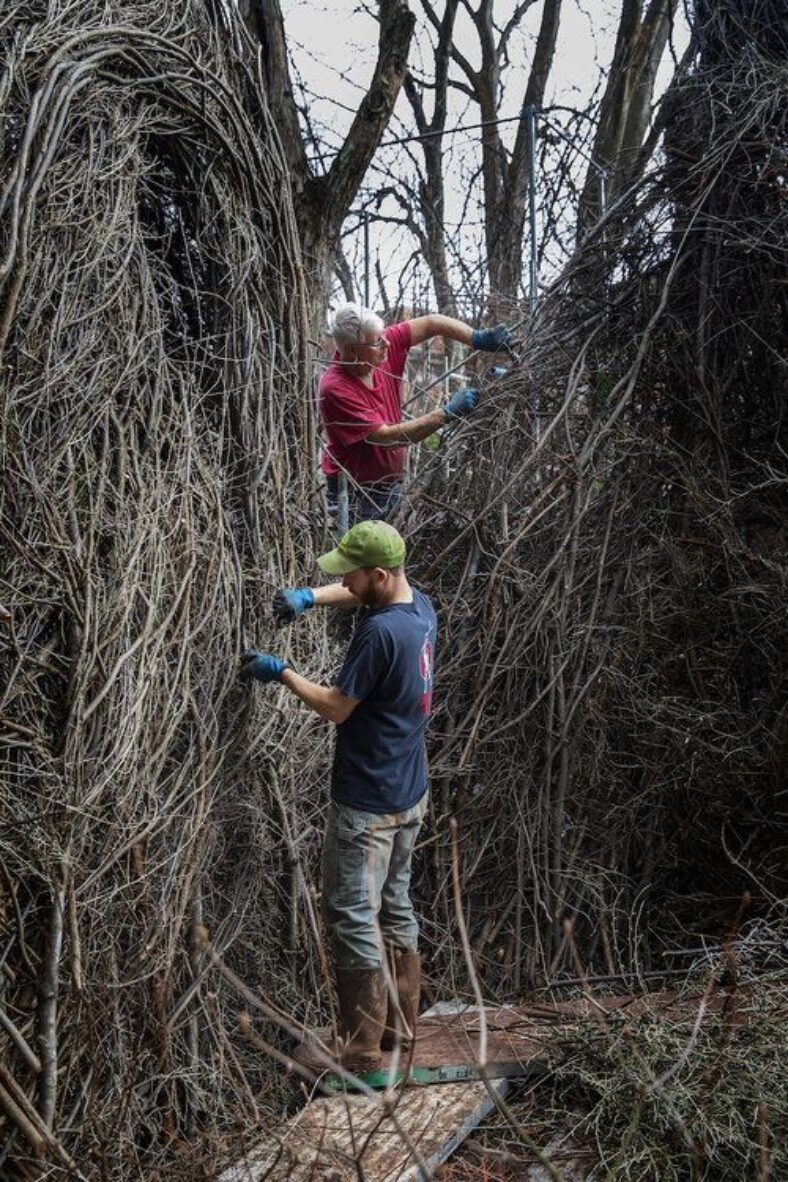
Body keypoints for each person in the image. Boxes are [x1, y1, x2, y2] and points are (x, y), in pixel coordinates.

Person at [240, 520, 436, 1073]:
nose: (342, 583)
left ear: (377, 574)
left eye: (349, 575)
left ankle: (362, 1051)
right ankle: (401, 1035)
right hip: (408, 793)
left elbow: (336, 707)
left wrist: (282, 673)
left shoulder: (379, 636)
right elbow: (359, 595)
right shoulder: (418, 608)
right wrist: (307, 599)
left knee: (352, 914)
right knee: (396, 910)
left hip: (368, 803)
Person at [320, 303, 512, 525]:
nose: (387, 343)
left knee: (391, 555)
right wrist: (446, 413)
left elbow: (433, 323)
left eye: (384, 336)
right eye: (377, 342)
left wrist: (477, 338)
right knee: (367, 559)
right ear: (353, 350)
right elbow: (388, 438)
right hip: (357, 494)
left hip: (390, 485)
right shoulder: (336, 388)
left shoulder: (377, 349)